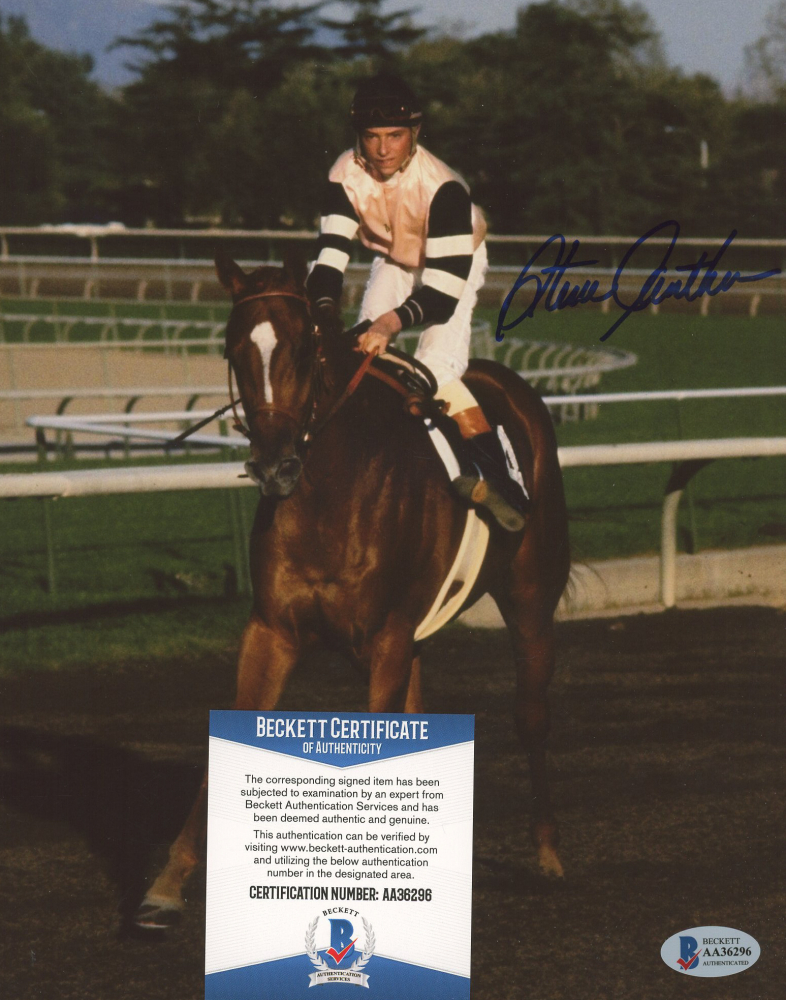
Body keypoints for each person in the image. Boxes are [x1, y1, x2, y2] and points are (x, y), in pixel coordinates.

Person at [306, 73, 527, 532]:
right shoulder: (343, 175)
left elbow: (443, 293)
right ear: (358, 138)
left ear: (415, 134)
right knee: (361, 356)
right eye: (371, 137)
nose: (383, 149)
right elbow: (330, 257)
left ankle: (500, 477)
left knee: (435, 364)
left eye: (395, 136)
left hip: (452, 261)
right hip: (395, 255)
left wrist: (392, 321)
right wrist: (324, 316)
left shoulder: (445, 188)